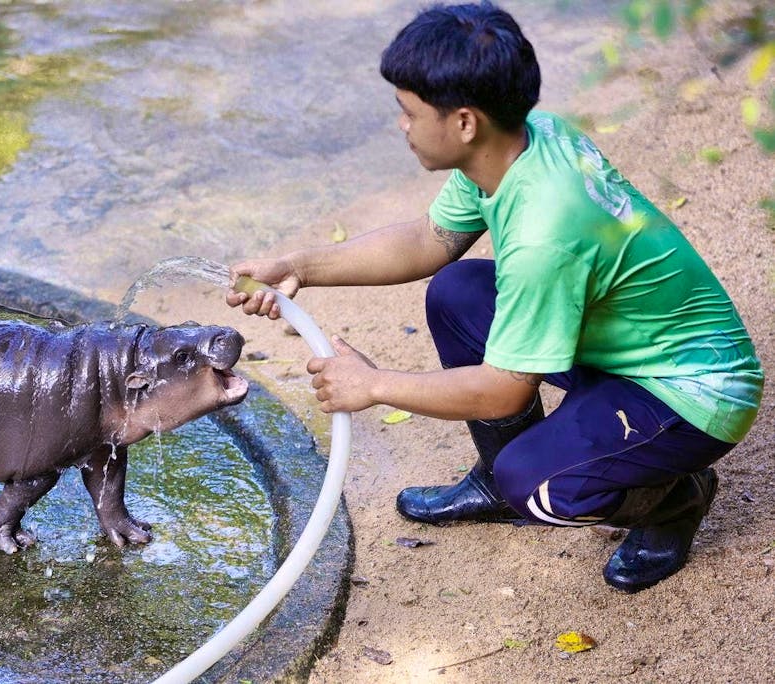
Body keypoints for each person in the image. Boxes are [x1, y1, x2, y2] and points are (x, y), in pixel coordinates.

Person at [225, 0, 763, 593]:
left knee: (535, 483)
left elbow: (503, 389)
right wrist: (299, 265)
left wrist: (373, 385)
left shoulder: (544, 234)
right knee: (456, 291)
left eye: (408, 113)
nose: (401, 126)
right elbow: (429, 240)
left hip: (693, 392)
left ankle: (675, 500)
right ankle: (493, 482)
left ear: (463, 123)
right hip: (624, 343)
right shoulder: (525, 141)